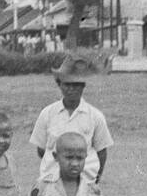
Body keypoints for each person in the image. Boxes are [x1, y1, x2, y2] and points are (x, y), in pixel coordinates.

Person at [29, 56, 113, 186]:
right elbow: (41, 150)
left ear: (83, 86)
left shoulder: (95, 116)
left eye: (76, 85)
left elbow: (102, 152)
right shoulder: (47, 113)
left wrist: (95, 179)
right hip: (51, 182)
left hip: (85, 182)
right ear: (59, 84)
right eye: (67, 84)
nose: (71, 89)